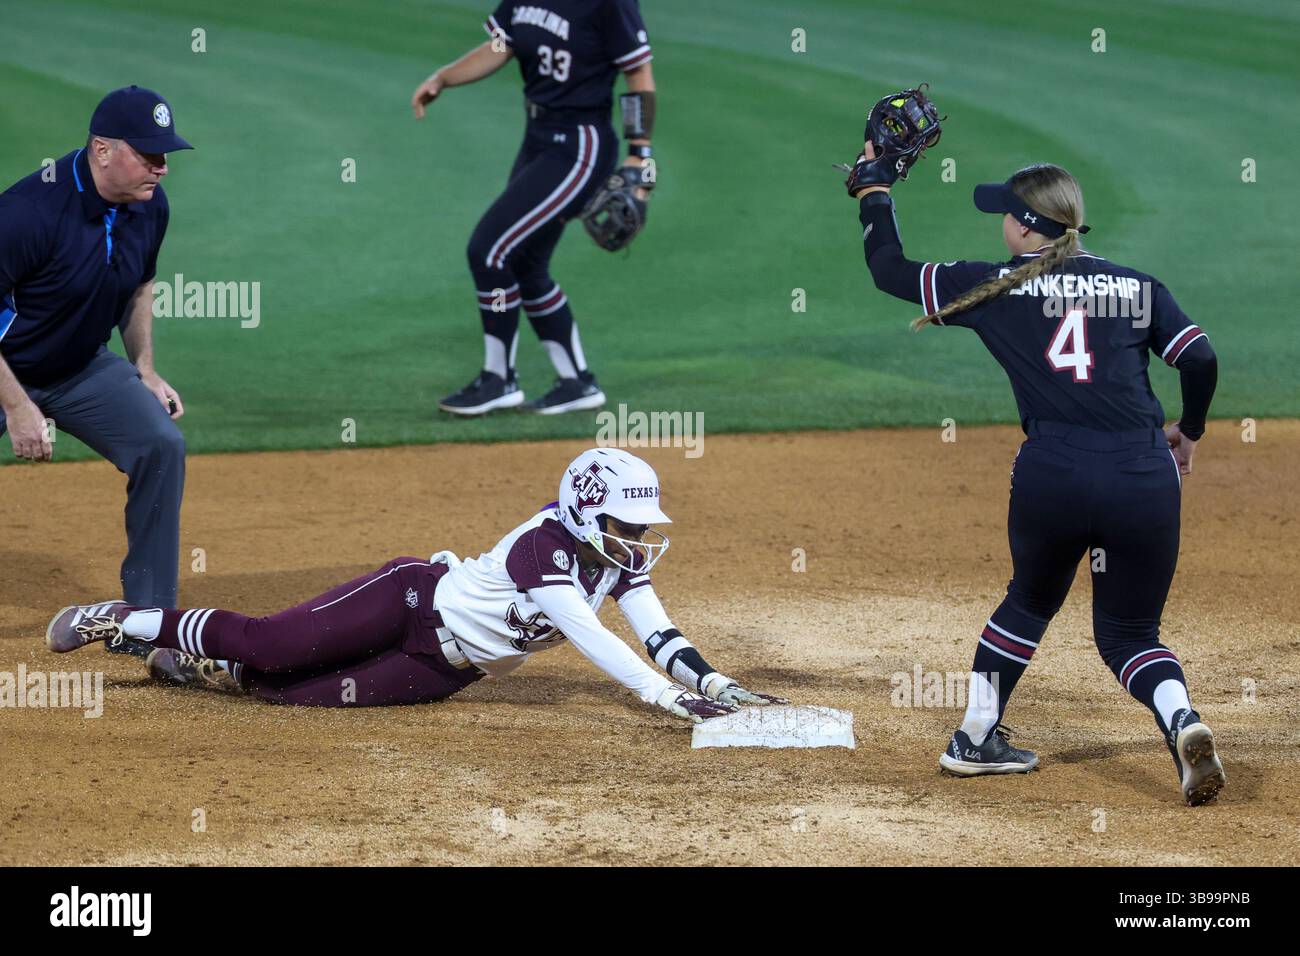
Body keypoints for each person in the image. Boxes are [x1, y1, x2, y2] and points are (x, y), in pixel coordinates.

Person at [847, 140, 1225, 805]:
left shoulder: (994, 285)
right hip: (1143, 473)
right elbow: (1198, 358)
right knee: (1130, 634)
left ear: (1026, 226)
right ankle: (1181, 719)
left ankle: (975, 738)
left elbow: (888, 270)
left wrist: (874, 193)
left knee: (1028, 601)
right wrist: (1188, 433)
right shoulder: (1138, 288)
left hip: (1052, 473)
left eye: (1005, 213)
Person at [47, 449, 787, 722]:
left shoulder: (618, 558)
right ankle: (128, 619)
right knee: (274, 643)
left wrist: (713, 683)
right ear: (589, 512)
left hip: (442, 668)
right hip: (407, 601)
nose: (638, 536)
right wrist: (666, 699)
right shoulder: (543, 549)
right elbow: (592, 636)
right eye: (628, 522)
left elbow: (656, 629)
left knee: (285, 697)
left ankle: (189, 663)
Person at [0, 86, 192, 652]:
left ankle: (150, 622)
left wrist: (146, 370)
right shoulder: (27, 213)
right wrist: (18, 407)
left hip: (78, 367)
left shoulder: (149, 204)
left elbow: (139, 285)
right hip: (9, 371)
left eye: (165, 155)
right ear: (103, 149)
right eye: (150, 154)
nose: (161, 168)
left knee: (161, 445)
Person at [412, 1, 657, 416]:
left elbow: (638, 73)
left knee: (488, 250)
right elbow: (499, 45)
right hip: (539, 139)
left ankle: (498, 379)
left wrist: (640, 155)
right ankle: (577, 382)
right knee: (526, 264)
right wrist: (444, 78)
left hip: (580, 146)